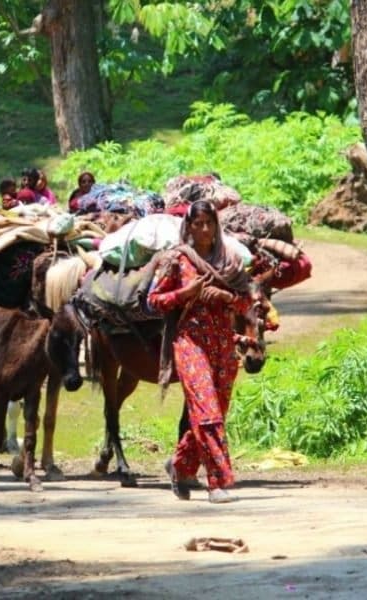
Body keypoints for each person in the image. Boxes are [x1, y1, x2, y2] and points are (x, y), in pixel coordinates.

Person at [147, 199, 255, 504]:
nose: (204, 229)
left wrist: (225, 296)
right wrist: (185, 294)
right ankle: (217, 484)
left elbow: (248, 302)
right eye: (198, 223)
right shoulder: (178, 260)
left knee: (215, 413)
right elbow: (152, 301)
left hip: (223, 345)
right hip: (190, 343)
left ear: (216, 225)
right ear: (189, 226)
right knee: (207, 412)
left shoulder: (230, 261)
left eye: (209, 223)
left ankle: (179, 465)